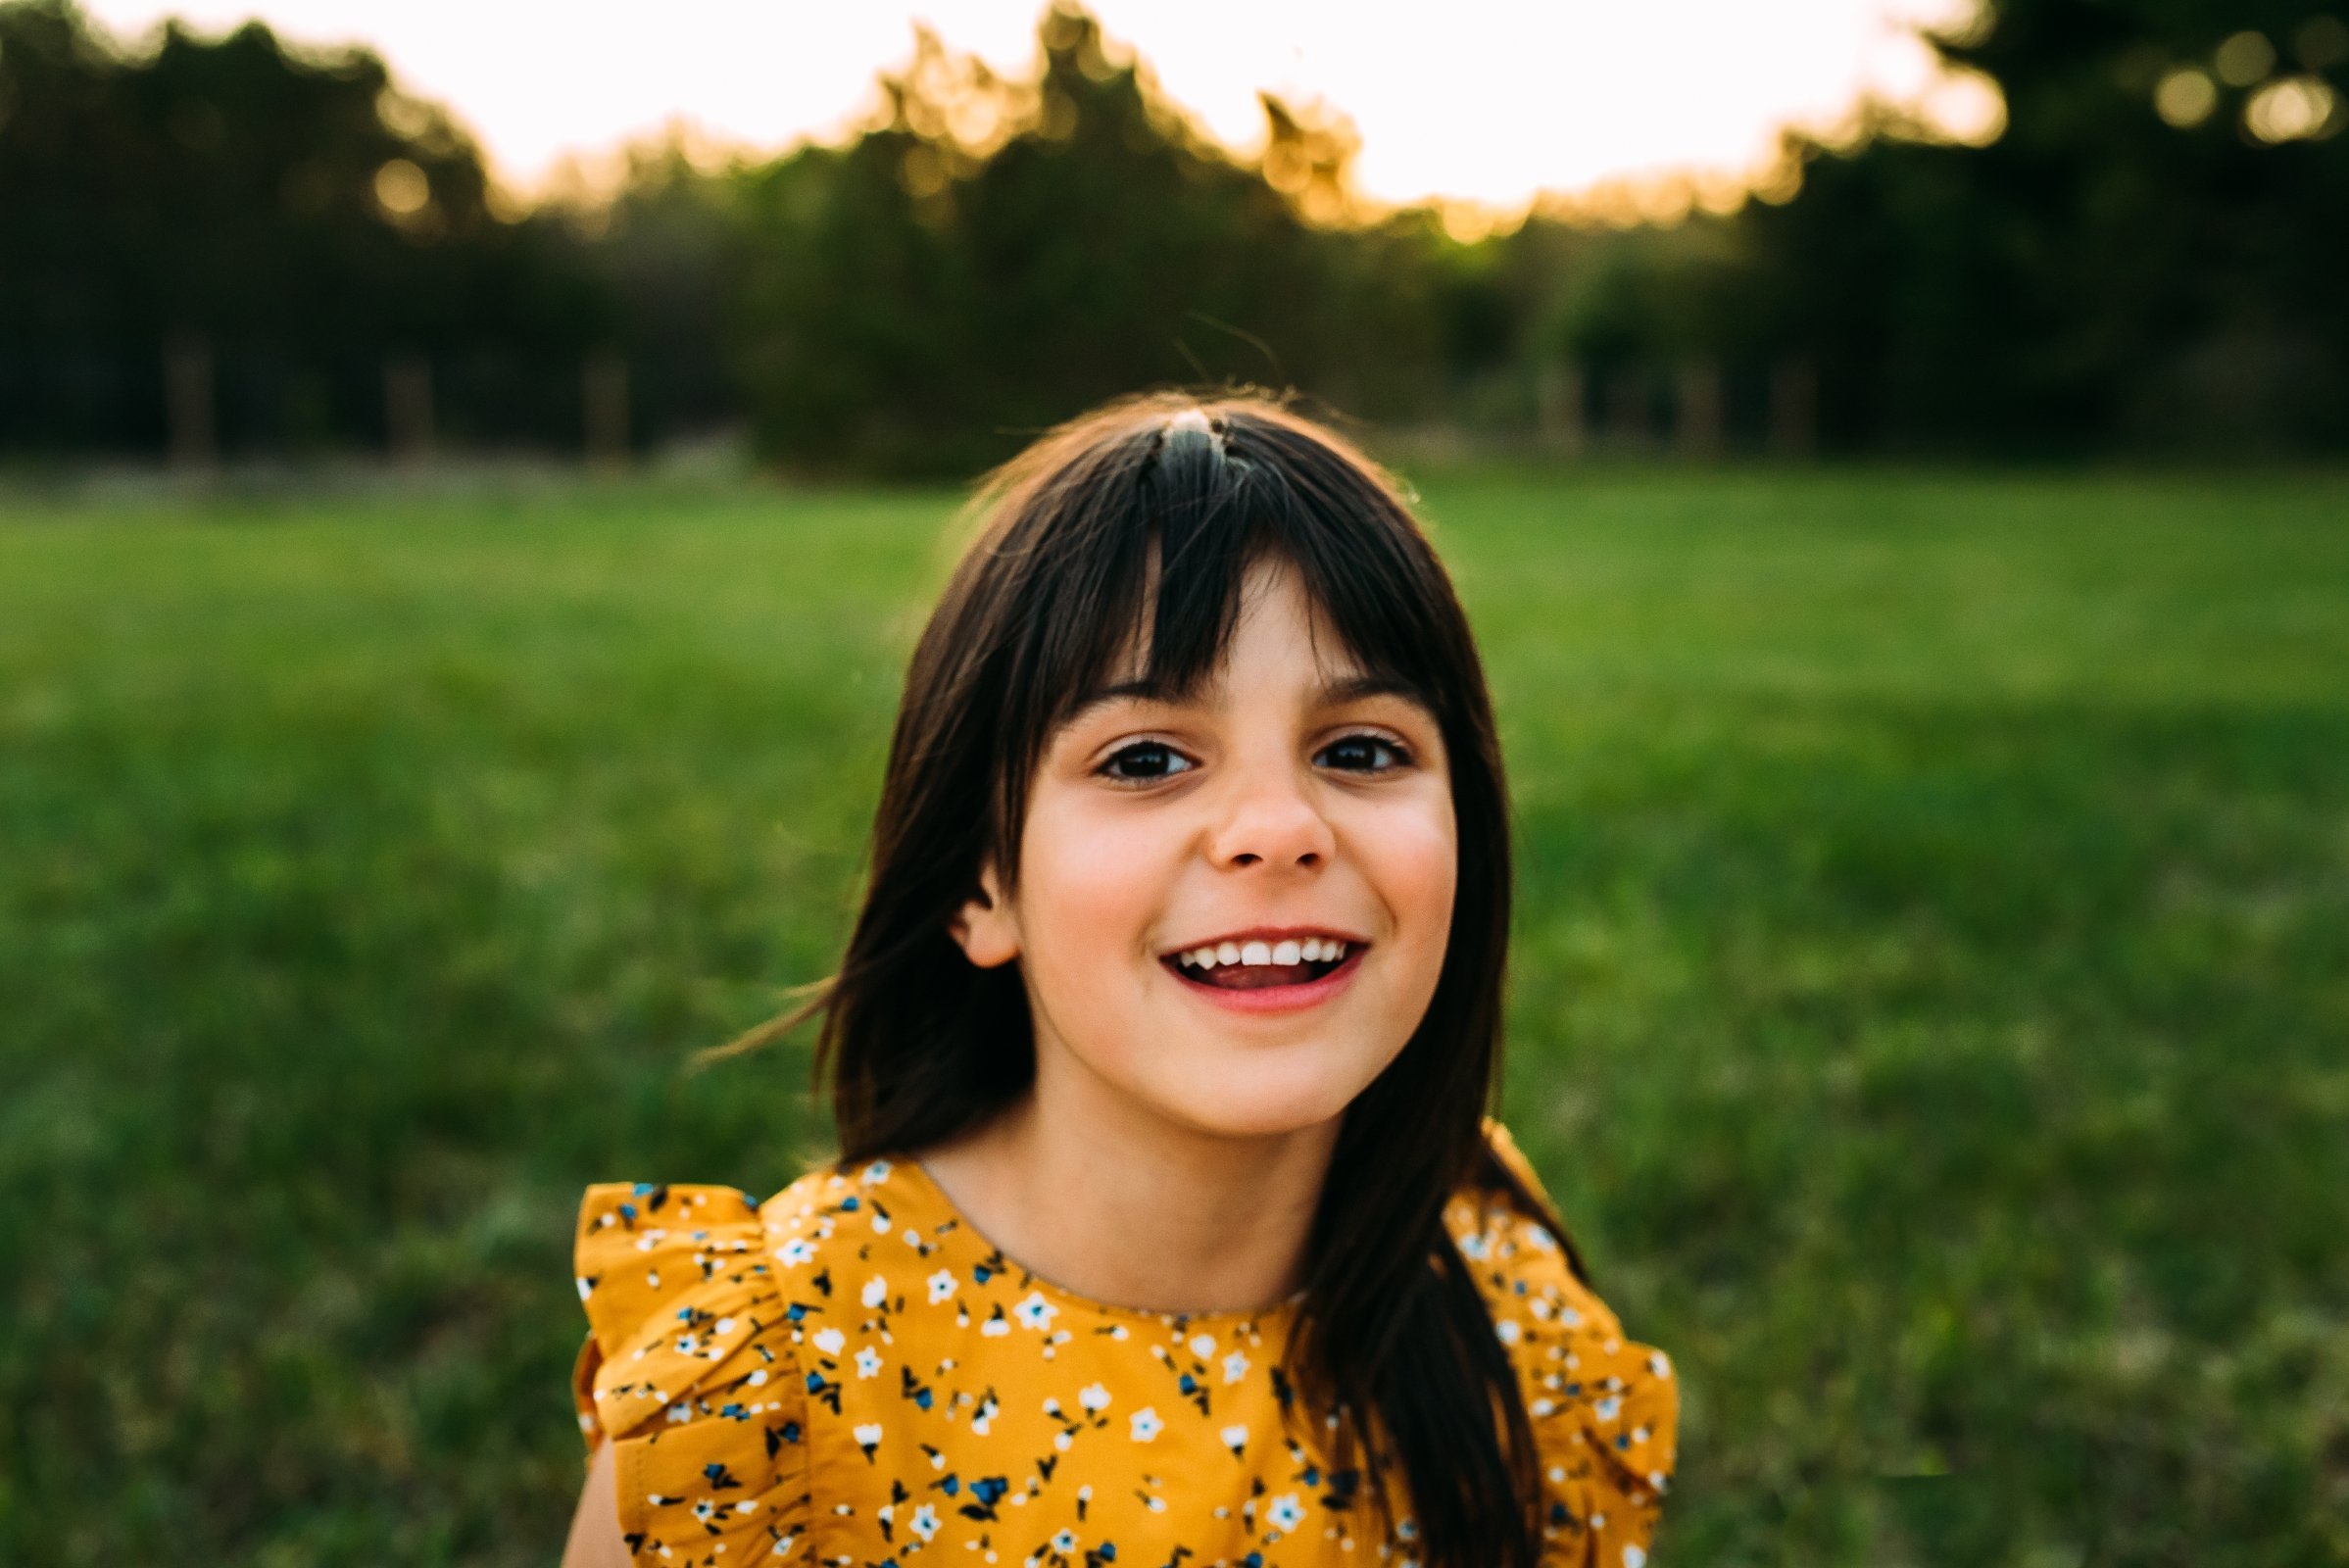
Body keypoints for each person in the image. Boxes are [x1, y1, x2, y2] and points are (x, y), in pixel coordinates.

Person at [560, 393, 1678, 1568]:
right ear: (980, 883)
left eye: (1361, 749)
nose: (1278, 829)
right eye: (1146, 759)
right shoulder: (780, 1384)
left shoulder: (1505, 1315)